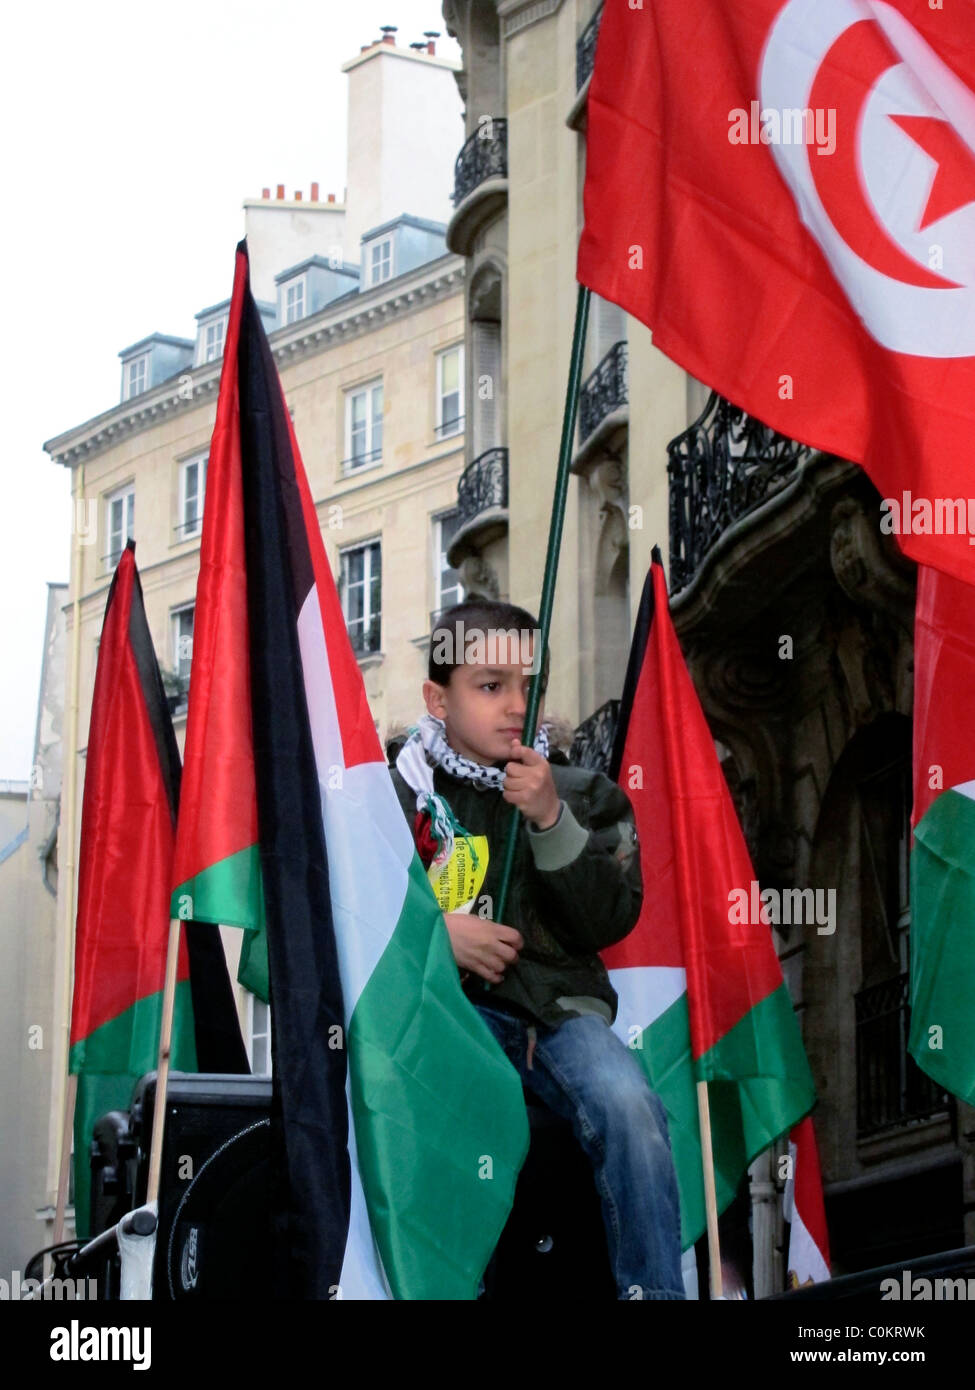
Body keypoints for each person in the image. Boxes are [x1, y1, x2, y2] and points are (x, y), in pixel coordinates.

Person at [387, 598, 685, 1300]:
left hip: (557, 1016)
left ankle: (654, 1294)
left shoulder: (584, 794)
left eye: (529, 686)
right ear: (438, 697)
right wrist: (434, 938)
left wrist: (550, 819)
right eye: (490, 686)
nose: (515, 705)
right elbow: (349, 921)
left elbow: (607, 917)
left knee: (629, 1104)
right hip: (443, 1020)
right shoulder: (395, 796)